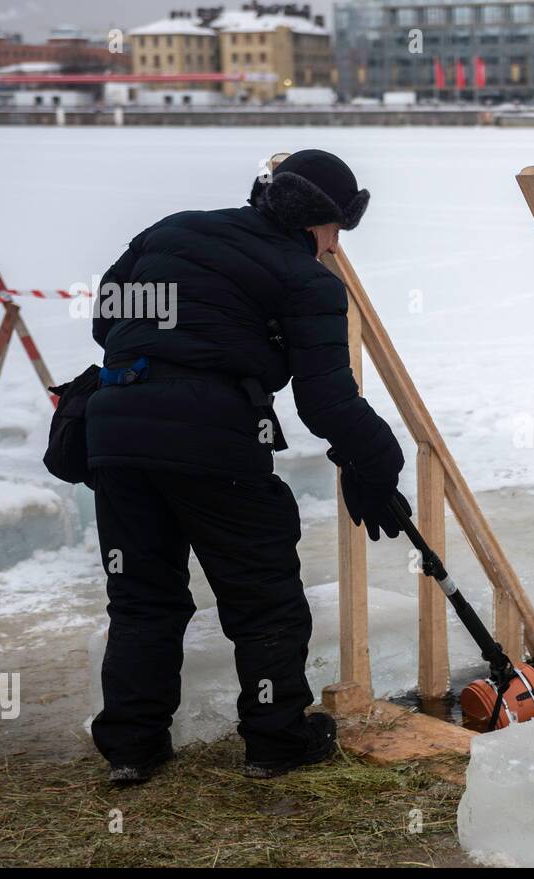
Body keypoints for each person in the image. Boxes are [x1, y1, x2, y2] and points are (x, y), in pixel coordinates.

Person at [86, 149, 408, 784]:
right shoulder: (307, 279)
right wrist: (380, 465)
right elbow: (328, 402)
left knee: (142, 599)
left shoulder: (171, 229)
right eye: (336, 231)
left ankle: (131, 746)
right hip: (213, 437)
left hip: (115, 430)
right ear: (316, 220)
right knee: (264, 600)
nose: (335, 248)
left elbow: (106, 321)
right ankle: (276, 740)